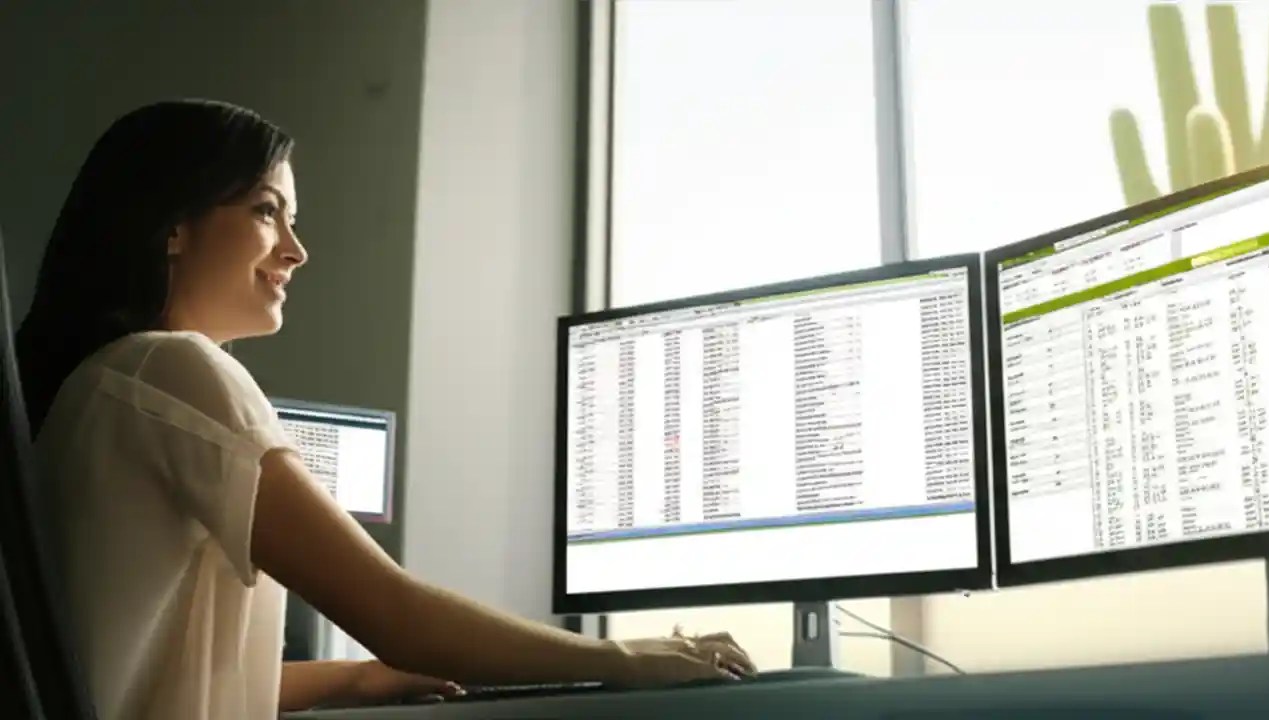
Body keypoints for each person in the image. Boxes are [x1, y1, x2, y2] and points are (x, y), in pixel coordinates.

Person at [15, 99, 755, 720]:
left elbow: (156, 674)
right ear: (172, 224)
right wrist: (621, 657)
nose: (297, 250)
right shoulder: (173, 367)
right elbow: (392, 611)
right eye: (268, 211)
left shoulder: (99, 387)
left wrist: (358, 678)